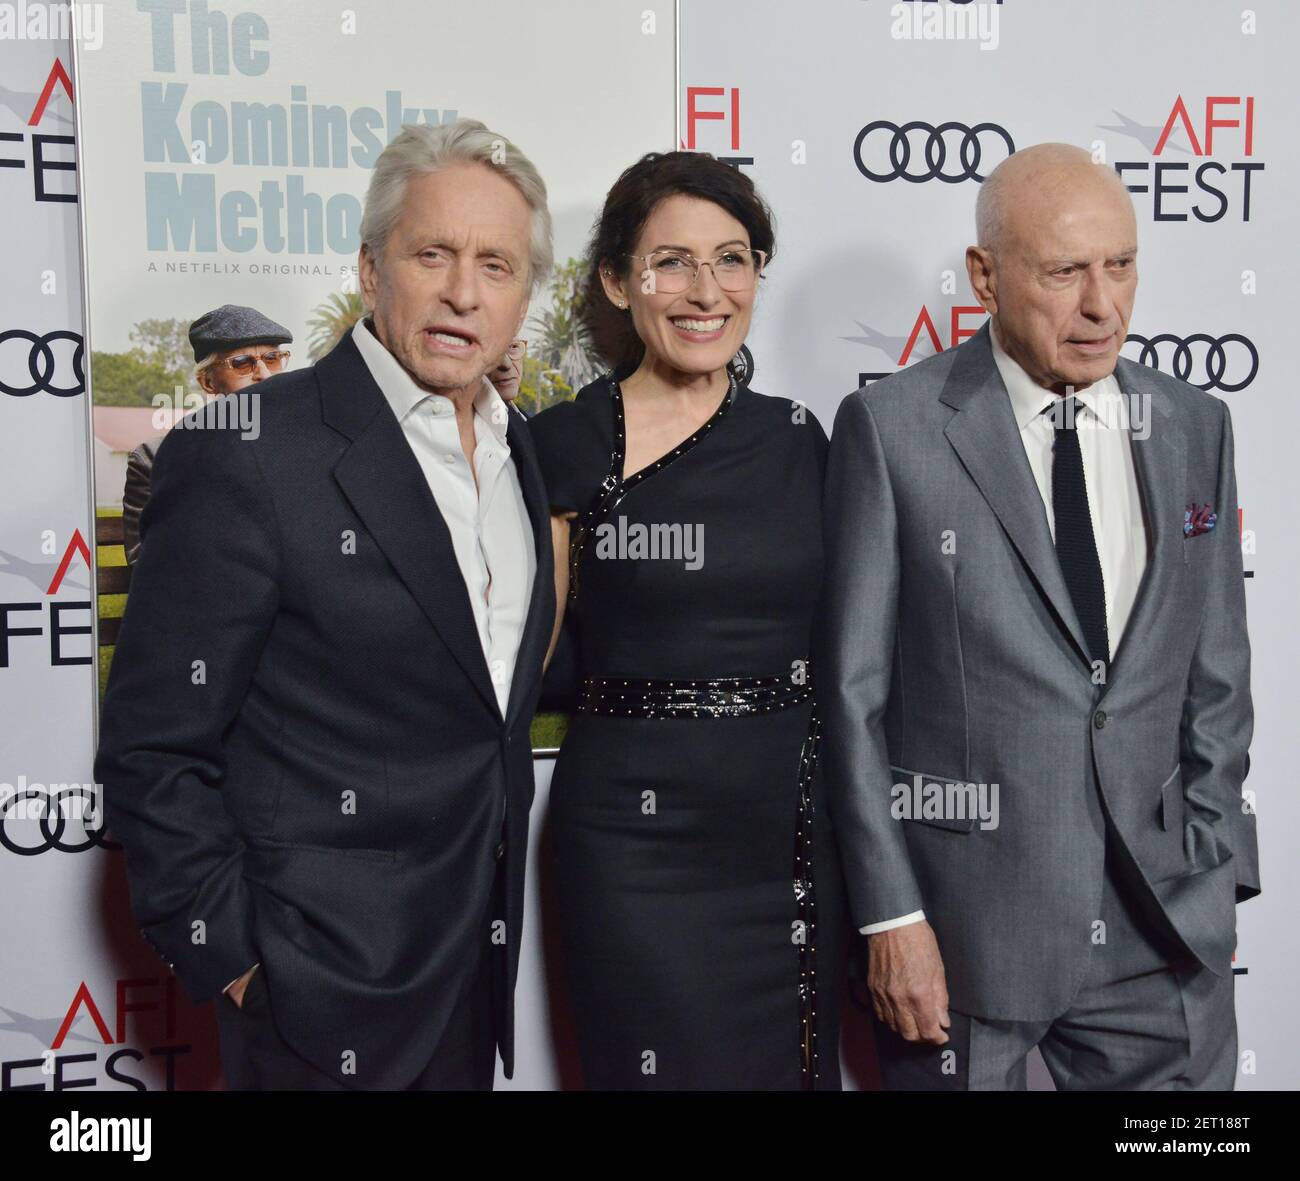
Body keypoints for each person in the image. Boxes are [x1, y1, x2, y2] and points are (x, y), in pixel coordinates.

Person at [96, 118, 556, 1090]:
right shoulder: (248, 450)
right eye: (431, 253)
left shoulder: (522, 454)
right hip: (315, 996)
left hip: (474, 976)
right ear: (369, 266)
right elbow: (154, 743)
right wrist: (243, 963)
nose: (464, 292)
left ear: (524, 294)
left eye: (497, 265)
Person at [820, 143, 1258, 1090]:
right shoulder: (893, 430)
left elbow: (1217, 672)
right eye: (1065, 272)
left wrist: (1214, 875)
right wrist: (893, 919)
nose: (1103, 305)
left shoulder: (1195, 425)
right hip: (968, 946)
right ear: (985, 275)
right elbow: (851, 700)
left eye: (1122, 264)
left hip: (1162, 940)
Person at [529, 151, 845, 1090]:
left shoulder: (800, 438)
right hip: (636, 854)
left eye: (732, 258)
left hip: (788, 840)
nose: (706, 291)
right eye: (672, 262)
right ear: (620, 282)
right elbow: (523, 659)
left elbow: (849, 655)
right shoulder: (563, 444)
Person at [121, 306, 292, 565]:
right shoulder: (153, 459)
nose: (264, 375)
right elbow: (149, 566)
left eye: (272, 358)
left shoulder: (313, 449)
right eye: (242, 363)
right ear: (208, 382)